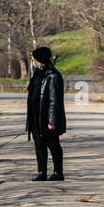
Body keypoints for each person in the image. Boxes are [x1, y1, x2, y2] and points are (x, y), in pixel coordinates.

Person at [25, 46, 66, 181]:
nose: (32, 61)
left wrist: (52, 121)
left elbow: (55, 101)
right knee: (39, 145)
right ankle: (42, 172)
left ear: (39, 59)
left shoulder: (52, 76)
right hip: (36, 117)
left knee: (53, 145)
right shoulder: (37, 73)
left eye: (34, 58)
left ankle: (58, 172)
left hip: (47, 118)